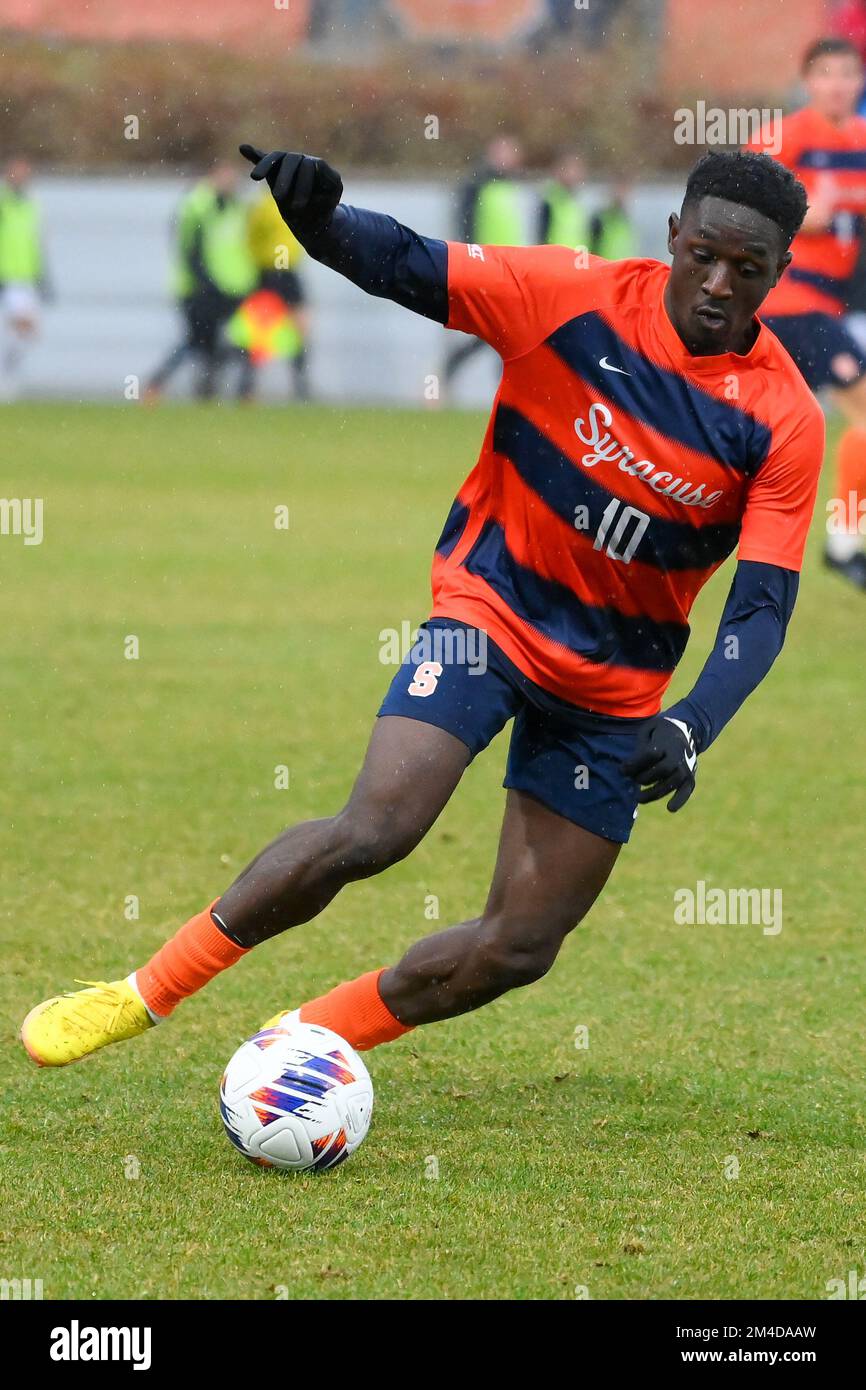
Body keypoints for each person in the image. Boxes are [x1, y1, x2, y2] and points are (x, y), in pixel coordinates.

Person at [21, 145, 824, 1072]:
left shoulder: (782, 420)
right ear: (673, 235)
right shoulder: (567, 292)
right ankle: (138, 995)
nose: (720, 284)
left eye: (749, 271)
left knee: (519, 949)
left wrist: (692, 725)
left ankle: (305, 1040)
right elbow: (407, 262)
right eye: (705, 257)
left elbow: (762, 607)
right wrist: (318, 220)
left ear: (780, 275)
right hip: (491, 613)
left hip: (615, 685)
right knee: (377, 829)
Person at [745, 37, 866, 590]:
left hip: (820, 306)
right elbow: (738, 195)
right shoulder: (787, 135)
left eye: (848, 74)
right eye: (827, 74)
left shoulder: (861, 139)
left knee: (758, 427)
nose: (839, 84)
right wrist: (795, 213)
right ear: (808, 82)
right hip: (786, 302)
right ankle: (844, 542)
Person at [146, 161, 257, 401]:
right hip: (200, 289)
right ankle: (159, 384)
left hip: (234, 286)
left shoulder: (234, 205)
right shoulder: (198, 204)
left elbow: (237, 246)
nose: (232, 182)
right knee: (199, 341)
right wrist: (206, 282)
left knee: (240, 340)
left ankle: (235, 391)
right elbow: (191, 249)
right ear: (213, 175)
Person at [442, 135, 524, 392]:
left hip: (510, 271)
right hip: (486, 269)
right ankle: (446, 376)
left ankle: (506, 391)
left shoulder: (511, 187)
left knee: (505, 334)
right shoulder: (477, 185)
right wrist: (468, 261)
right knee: (493, 334)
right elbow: (464, 223)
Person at [0, 158, 47, 401]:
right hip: (7, 276)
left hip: (27, 276)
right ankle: (6, 380)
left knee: (27, 333)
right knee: (22, 327)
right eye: (16, 174)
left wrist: (43, 276)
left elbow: (36, 242)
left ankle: (8, 376)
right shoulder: (3, 202)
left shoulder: (32, 203)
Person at [537, 151, 591, 249]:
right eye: (571, 169)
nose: (575, 174)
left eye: (578, 169)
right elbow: (541, 240)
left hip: (577, 262)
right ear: (558, 171)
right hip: (556, 262)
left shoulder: (577, 203)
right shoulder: (549, 201)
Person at [589, 177, 638, 261]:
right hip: (605, 270)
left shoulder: (626, 222)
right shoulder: (600, 220)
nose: (622, 196)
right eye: (619, 191)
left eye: (625, 191)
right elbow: (591, 248)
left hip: (624, 271)